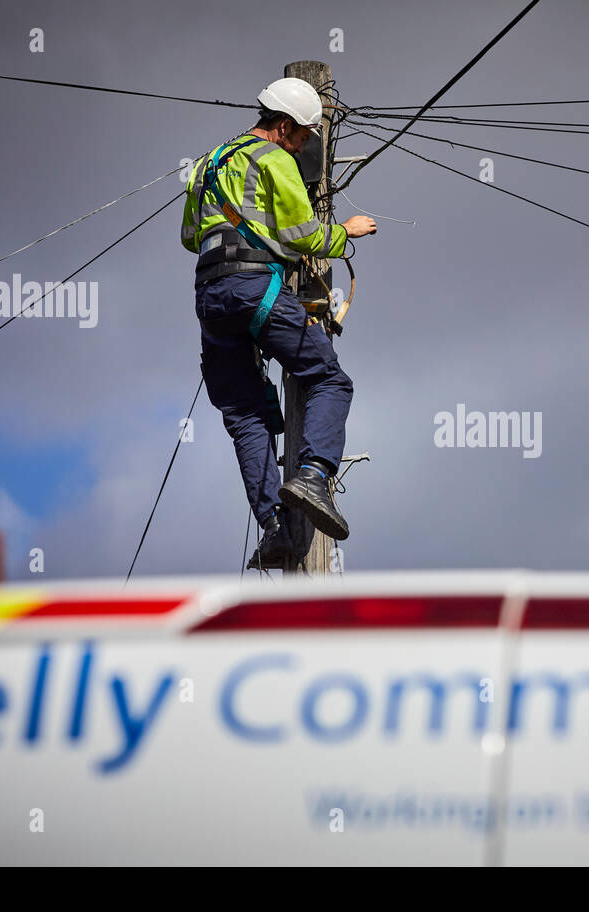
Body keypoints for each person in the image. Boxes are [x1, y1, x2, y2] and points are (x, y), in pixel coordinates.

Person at [180, 77, 376, 569]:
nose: (306, 143)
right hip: (255, 289)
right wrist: (345, 233)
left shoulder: (207, 164)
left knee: (245, 414)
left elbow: (189, 235)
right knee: (330, 379)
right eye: (305, 135)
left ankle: (274, 530)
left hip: (210, 295)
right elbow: (302, 233)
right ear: (284, 127)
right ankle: (312, 475)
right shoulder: (275, 160)